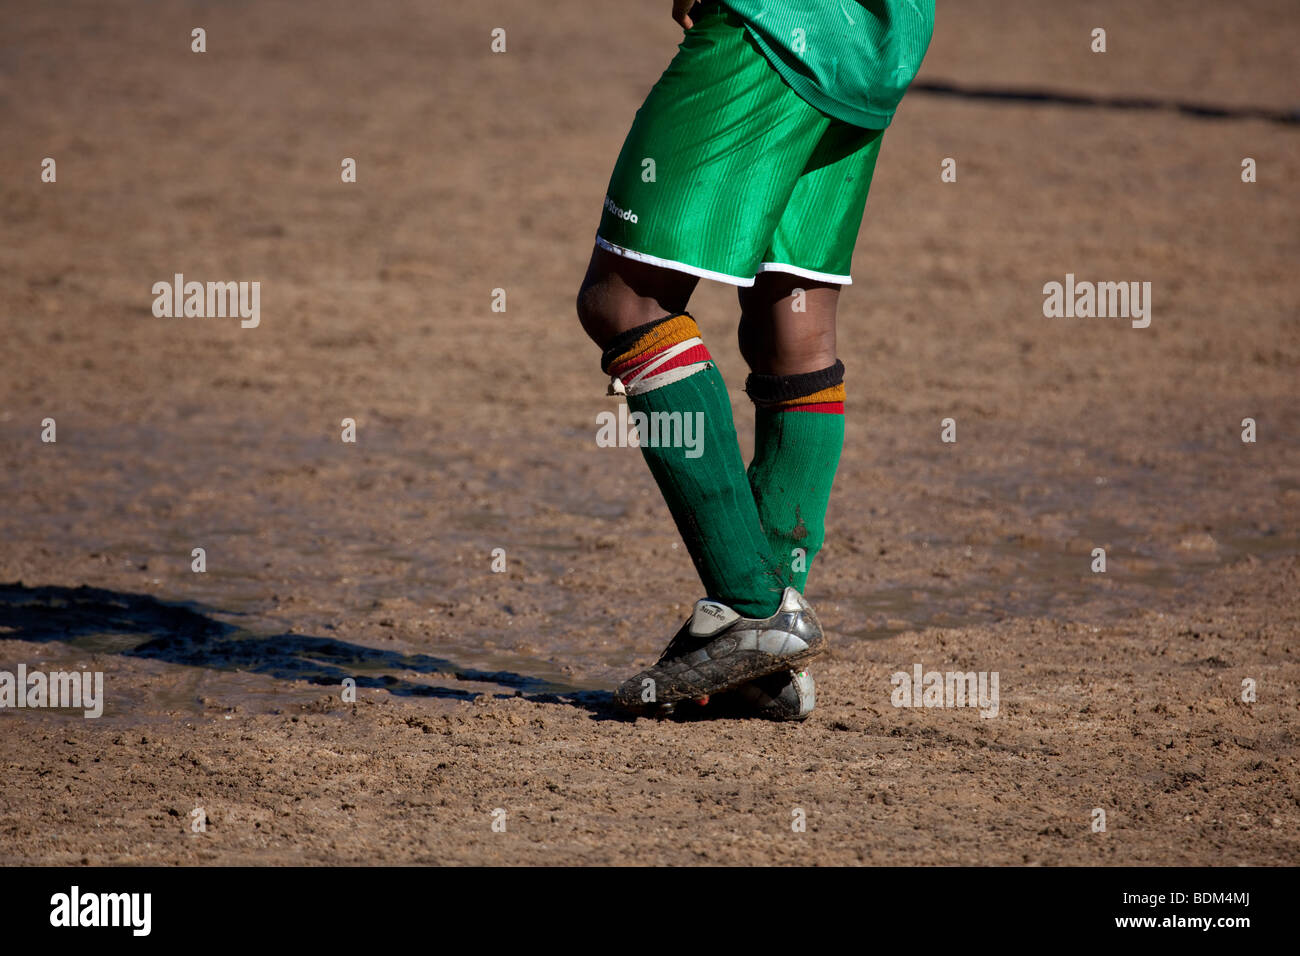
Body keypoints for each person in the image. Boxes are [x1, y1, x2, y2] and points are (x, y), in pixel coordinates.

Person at [576, 0, 934, 719]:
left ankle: (754, 608)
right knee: (792, 325)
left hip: (773, 20)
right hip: (880, 33)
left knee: (624, 303)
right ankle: (763, 661)